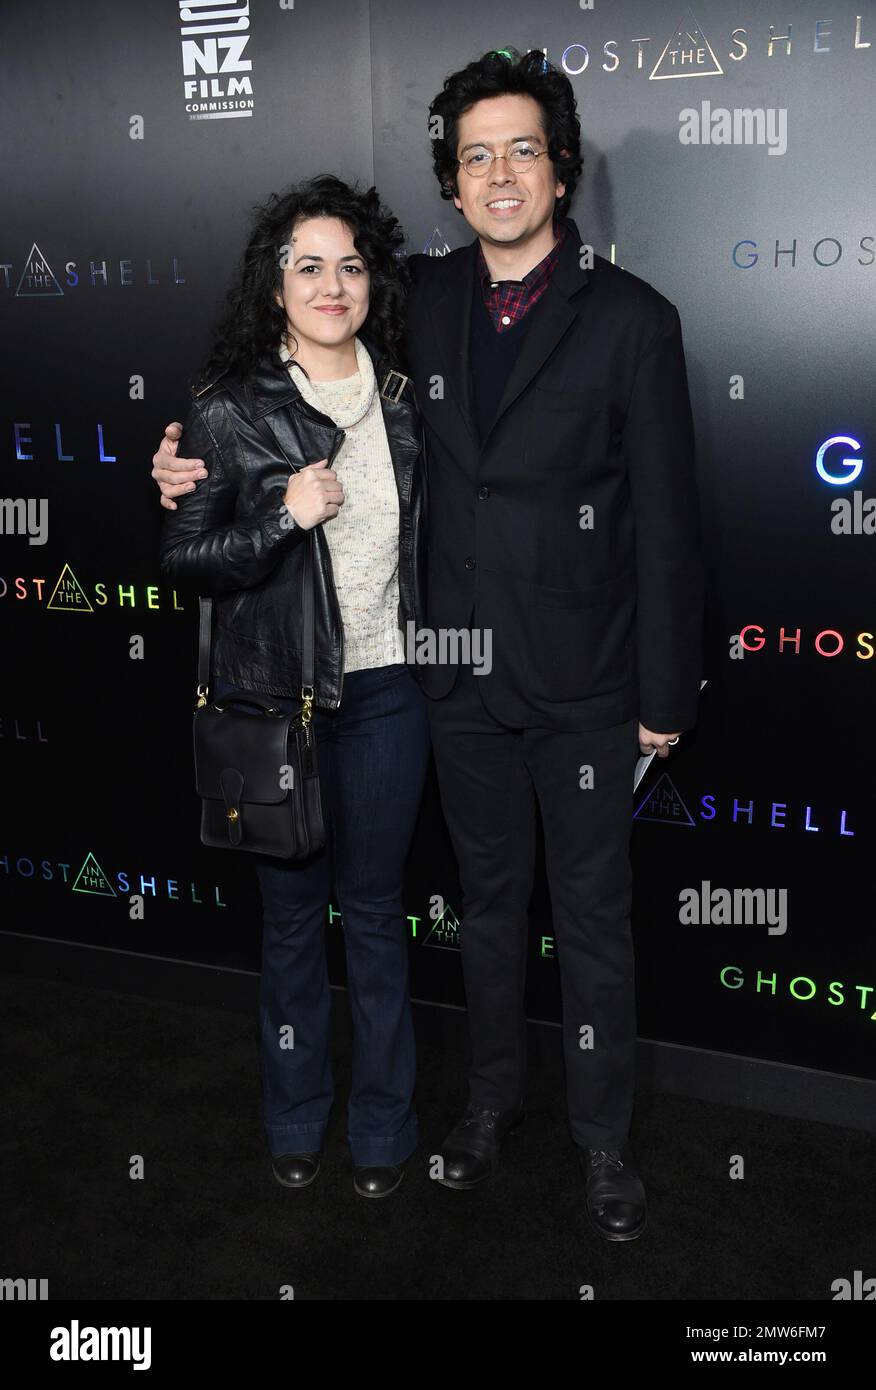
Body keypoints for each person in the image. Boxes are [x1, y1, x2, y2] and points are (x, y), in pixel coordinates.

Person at [153, 49, 705, 1243]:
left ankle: (603, 1142)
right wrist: (187, 466)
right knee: (487, 909)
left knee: (596, 922)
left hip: (591, 687)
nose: (499, 174)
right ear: (451, 182)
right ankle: (491, 1106)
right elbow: (286, 363)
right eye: (474, 155)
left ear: (559, 168)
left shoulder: (633, 316)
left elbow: (666, 526)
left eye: (521, 150)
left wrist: (663, 696)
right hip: (451, 677)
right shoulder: (421, 299)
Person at [158, 175, 431, 1199]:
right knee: (287, 925)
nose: (331, 283)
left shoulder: (405, 397)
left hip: (393, 694)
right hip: (280, 705)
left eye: (350, 264)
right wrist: (284, 516)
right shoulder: (230, 406)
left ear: (373, 283)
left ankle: (384, 1131)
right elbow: (184, 561)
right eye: (307, 265)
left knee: (373, 915)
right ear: (275, 287)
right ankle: (295, 1116)